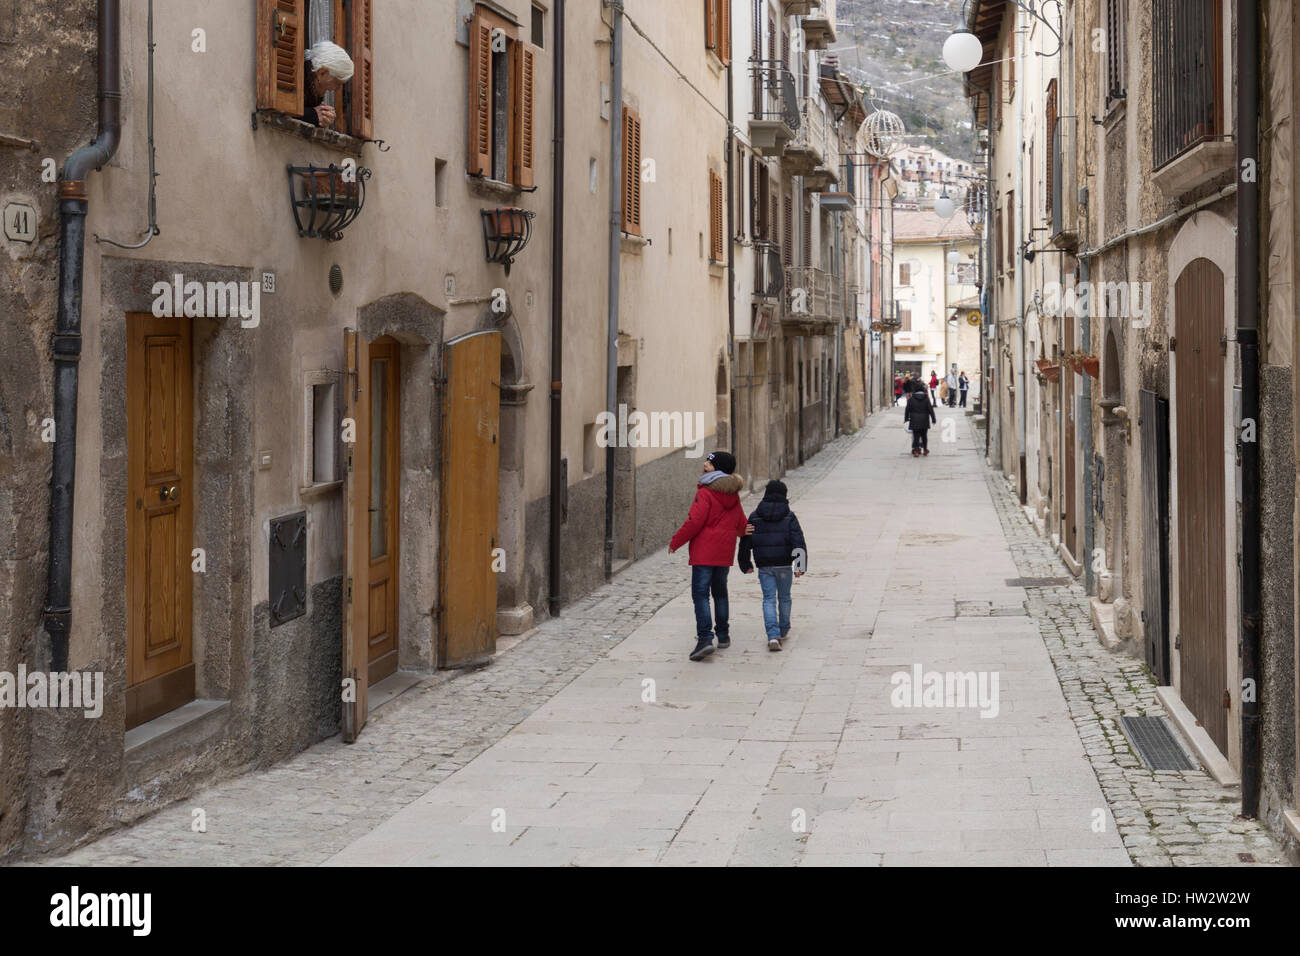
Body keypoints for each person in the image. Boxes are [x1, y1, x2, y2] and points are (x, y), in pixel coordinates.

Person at [669, 450, 748, 661]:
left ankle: (705, 639)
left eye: (710, 463)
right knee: (720, 592)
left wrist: (676, 541)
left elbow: (695, 522)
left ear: (718, 469)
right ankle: (723, 635)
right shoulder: (733, 494)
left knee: (701, 594)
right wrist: (742, 532)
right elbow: (741, 524)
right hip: (724, 552)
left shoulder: (705, 492)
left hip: (704, 553)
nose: (705, 464)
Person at [738, 480, 807, 652]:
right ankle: (783, 629)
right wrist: (800, 566)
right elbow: (798, 540)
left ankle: (773, 635)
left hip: (764, 566)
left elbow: (745, 542)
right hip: (784, 565)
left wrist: (745, 563)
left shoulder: (755, 516)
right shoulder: (789, 516)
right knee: (784, 597)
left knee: (768, 599)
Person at [301, 41, 355, 128]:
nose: (336, 89)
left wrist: (324, 117)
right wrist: (313, 115)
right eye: (337, 83)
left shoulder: (315, 88)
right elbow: (283, 110)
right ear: (322, 72)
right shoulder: (296, 77)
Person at [905, 376, 937, 456]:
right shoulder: (926, 399)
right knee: (924, 436)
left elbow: (907, 409)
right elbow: (930, 409)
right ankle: (925, 449)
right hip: (924, 420)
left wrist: (906, 418)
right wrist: (933, 419)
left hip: (914, 420)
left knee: (916, 436)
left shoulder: (911, 399)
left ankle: (916, 451)